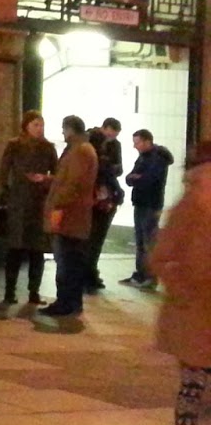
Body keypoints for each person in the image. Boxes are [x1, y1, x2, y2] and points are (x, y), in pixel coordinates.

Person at [149, 139, 211, 425]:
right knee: (192, 386)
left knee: (194, 388)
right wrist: (185, 290)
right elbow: (159, 258)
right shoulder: (191, 205)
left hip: (198, 311)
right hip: (195, 314)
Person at [39, 114, 97, 318]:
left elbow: (73, 183)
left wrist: (57, 206)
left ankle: (66, 302)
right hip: (73, 215)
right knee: (70, 261)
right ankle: (71, 302)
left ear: (71, 129)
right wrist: (50, 180)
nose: (63, 133)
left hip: (70, 217)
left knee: (67, 261)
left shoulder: (80, 151)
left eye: (64, 129)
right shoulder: (80, 149)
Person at [0, 111, 57, 304]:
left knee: (37, 251)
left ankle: (34, 292)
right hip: (19, 203)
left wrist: (46, 179)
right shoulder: (14, 145)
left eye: (41, 125)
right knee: (15, 248)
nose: (39, 129)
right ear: (26, 126)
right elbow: (4, 172)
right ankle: (9, 291)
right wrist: (8, 192)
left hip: (39, 203)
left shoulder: (48, 147)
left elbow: (56, 173)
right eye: (35, 125)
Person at [122, 128, 175, 290]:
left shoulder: (158, 158)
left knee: (149, 242)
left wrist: (137, 178)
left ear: (147, 141)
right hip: (140, 203)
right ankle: (141, 274)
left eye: (137, 142)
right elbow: (129, 178)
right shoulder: (143, 157)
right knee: (140, 241)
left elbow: (149, 180)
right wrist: (135, 178)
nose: (134, 146)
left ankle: (151, 277)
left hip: (151, 204)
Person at [84, 117, 125, 293]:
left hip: (105, 195)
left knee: (96, 238)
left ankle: (90, 272)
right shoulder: (90, 141)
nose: (112, 138)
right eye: (110, 134)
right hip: (94, 193)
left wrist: (109, 168)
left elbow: (117, 169)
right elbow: (101, 168)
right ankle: (87, 273)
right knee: (90, 237)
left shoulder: (115, 145)